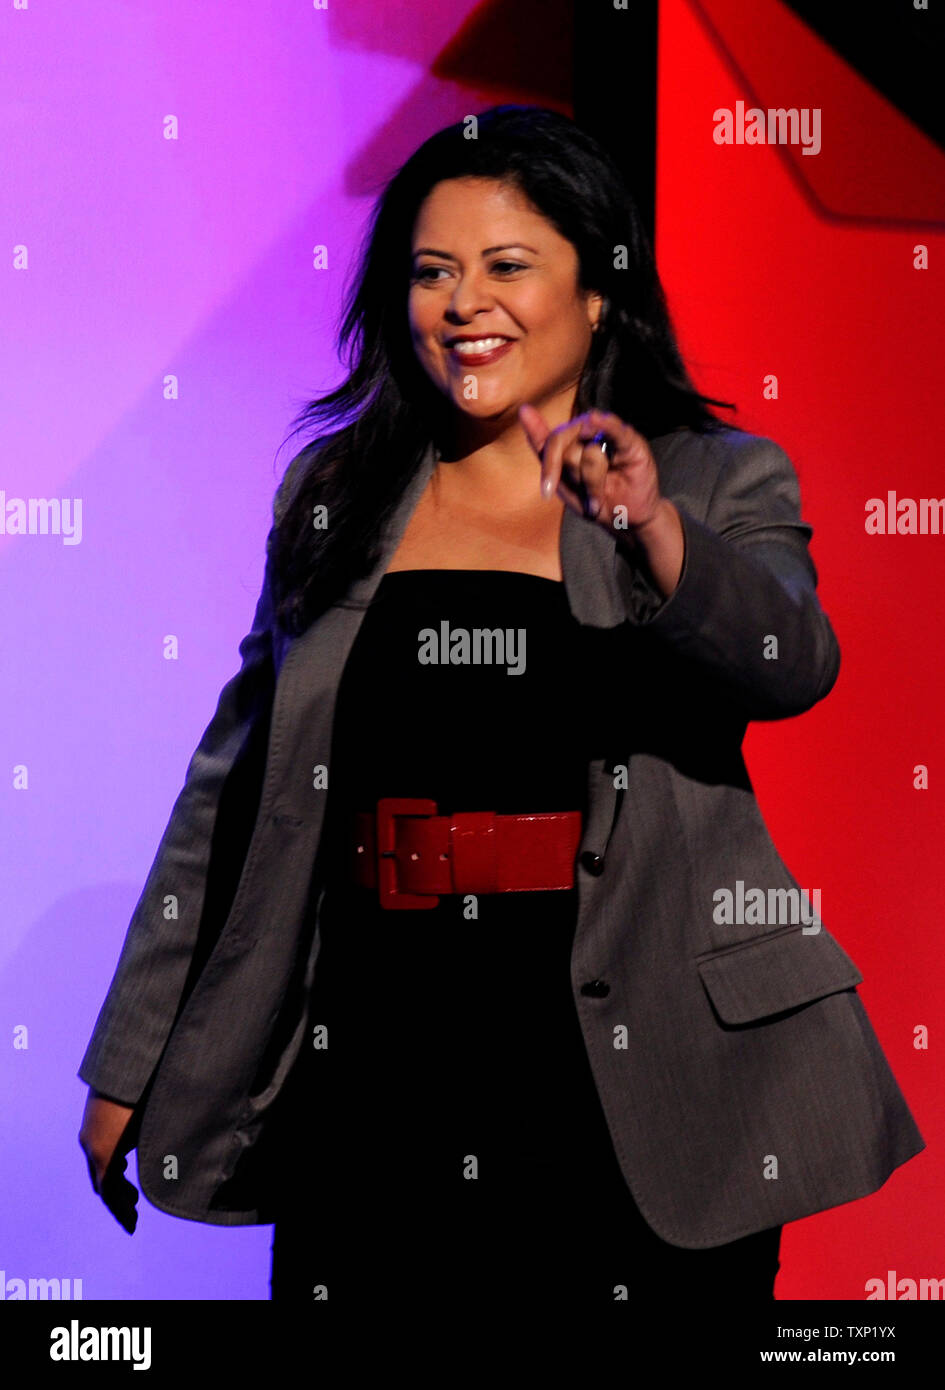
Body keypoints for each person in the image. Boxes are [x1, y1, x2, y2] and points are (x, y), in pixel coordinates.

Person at [78, 105, 924, 1312]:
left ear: (596, 295)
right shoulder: (340, 487)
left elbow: (794, 661)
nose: (464, 303)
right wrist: (130, 1055)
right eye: (434, 272)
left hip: (634, 1074)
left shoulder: (709, 476)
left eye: (507, 267)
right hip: (379, 1051)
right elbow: (229, 791)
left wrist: (650, 525)